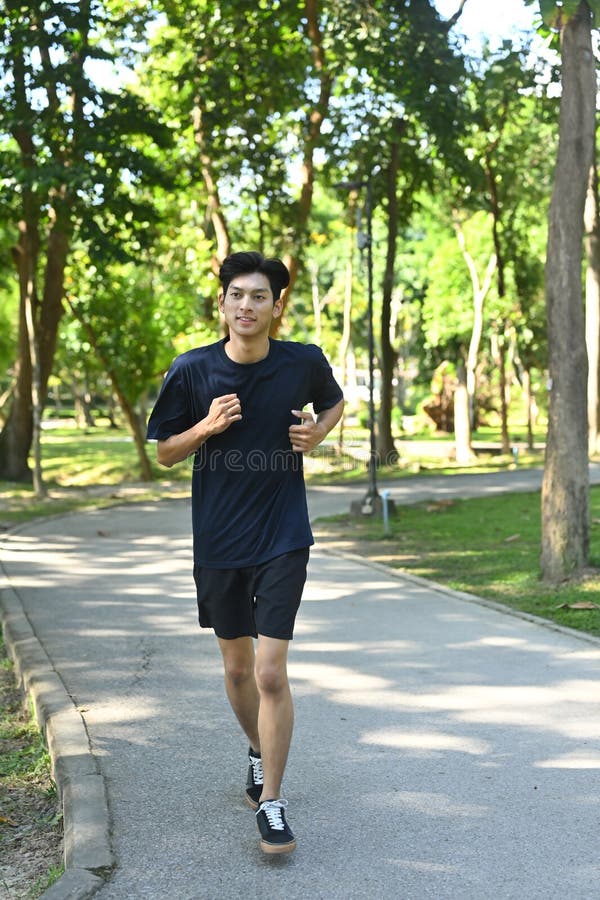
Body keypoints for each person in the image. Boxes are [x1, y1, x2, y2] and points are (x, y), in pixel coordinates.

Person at [147, 251, 344, 854]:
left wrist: (319, 432)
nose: (247, 306)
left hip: (284, 535)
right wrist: (205, 428)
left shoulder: (302, 361)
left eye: (259, 296)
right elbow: (163, 452)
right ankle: (258, 750)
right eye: (237, 295)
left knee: (268, 671)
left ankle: (274, 802)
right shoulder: (192, 370)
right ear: (223, 302)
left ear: (275, 305)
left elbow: (333, 401)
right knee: (236, 671)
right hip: (219, 540)